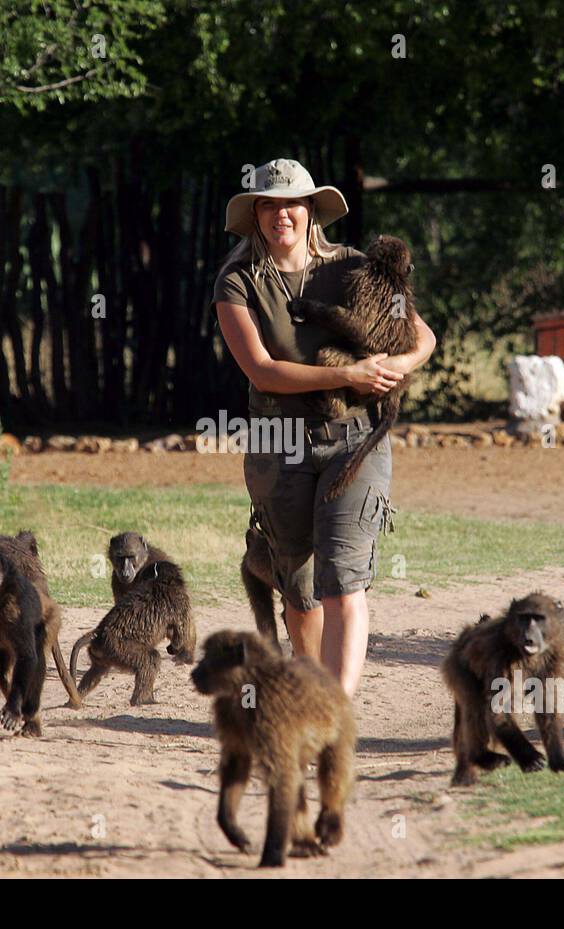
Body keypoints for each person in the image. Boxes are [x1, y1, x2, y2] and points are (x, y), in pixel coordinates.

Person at [212, 158, 436, 696]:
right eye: (269, 204)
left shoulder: (354, 266)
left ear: (311, 210)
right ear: (256, 215)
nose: (280, 214)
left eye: (291, 203)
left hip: (356, 440)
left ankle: (334, 711)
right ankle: (309, 692)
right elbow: (263, 371)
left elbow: (423, 338)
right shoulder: (237, 281)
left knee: (343, 581)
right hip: (279, 441)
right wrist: (347, 371)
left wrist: (388, 371)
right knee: (300, 585)